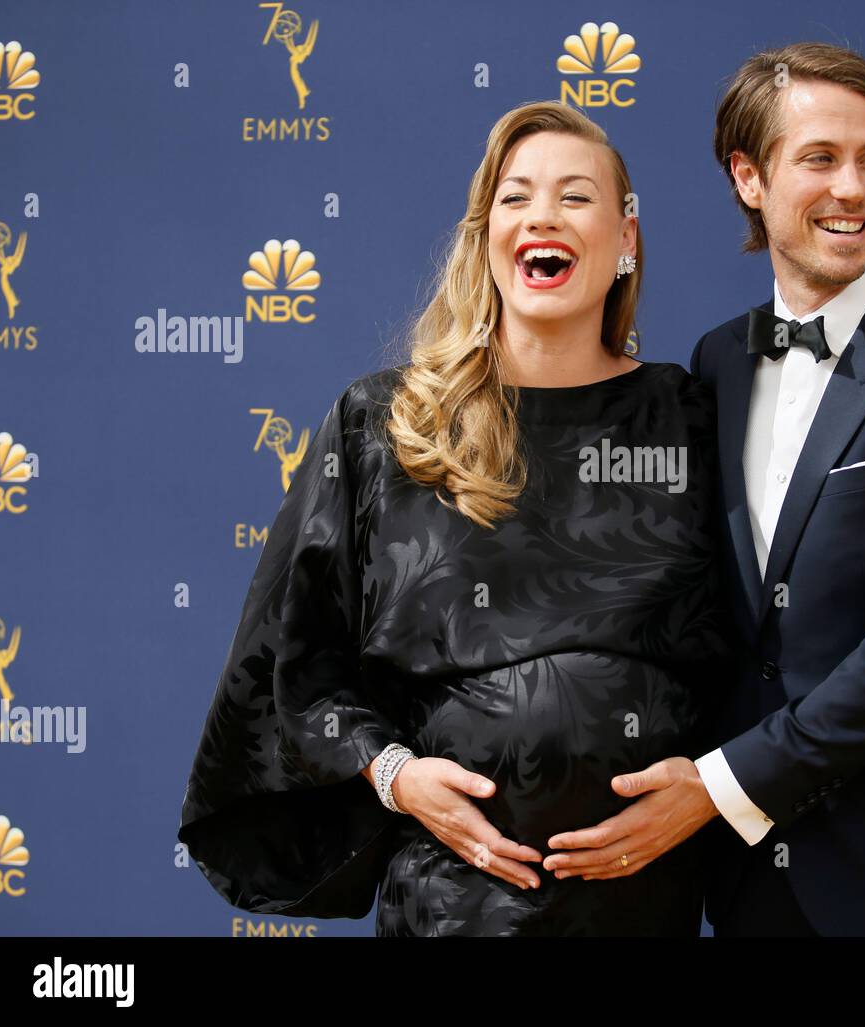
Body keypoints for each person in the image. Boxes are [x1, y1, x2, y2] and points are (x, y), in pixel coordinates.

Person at [541, 43, 865, 936]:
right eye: (820, 158)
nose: (854, 189)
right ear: (749, 176)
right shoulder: (716, 361)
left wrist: (715, 787)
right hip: (751, 884)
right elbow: (703, 600)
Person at [177, 100, 730, 936]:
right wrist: (396, 774)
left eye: (576, 197)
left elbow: (784, 615)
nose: (543, 214)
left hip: (644, 901)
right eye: (516, 197)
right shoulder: (382, 425)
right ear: (484, 239)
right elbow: (296, 662)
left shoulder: (695, 419)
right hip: (451, 905)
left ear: (627, 240)